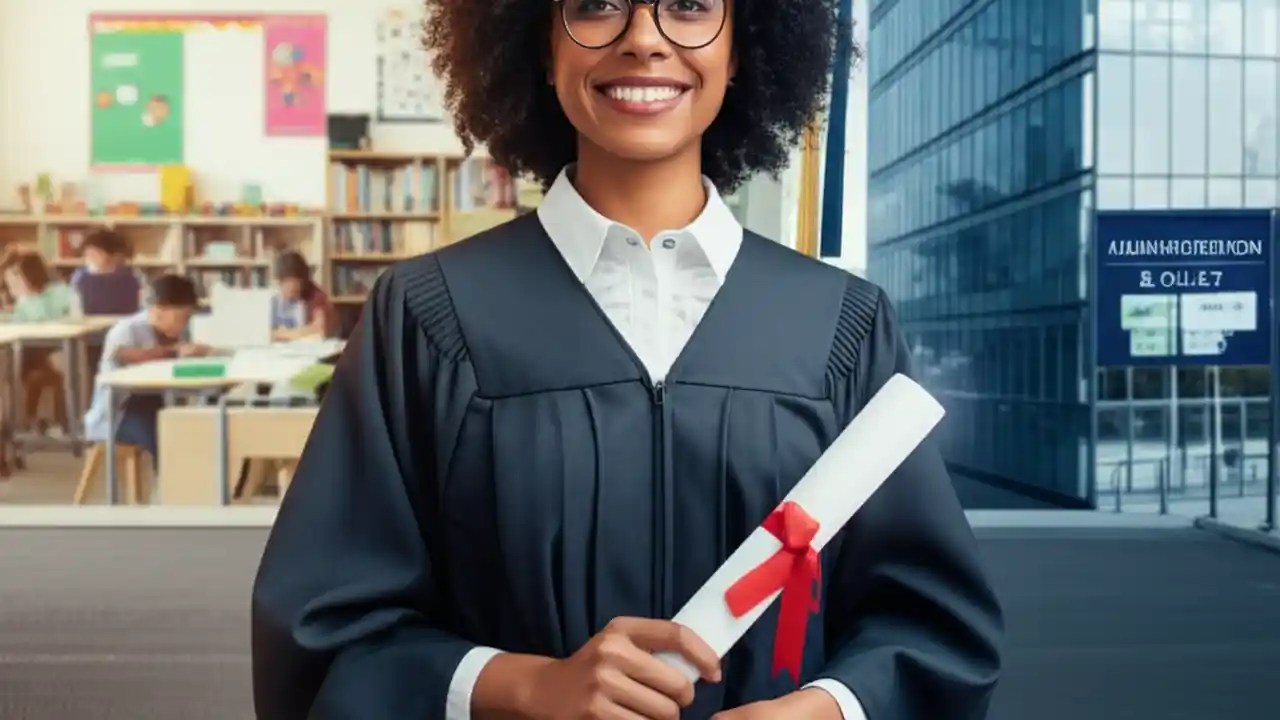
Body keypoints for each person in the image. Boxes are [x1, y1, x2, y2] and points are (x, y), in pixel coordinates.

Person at [252, 2, 1004, 719]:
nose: (644, 38)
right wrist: (525, 686)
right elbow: (325, 635)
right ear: (542, 46)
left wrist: (830, 709)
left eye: (687, 4)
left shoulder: (841, 325)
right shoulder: (430, 317)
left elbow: (931, 625)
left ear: (741, 47)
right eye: (597, 3)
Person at [82, 274, 210, 463]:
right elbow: (130, 357)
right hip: (120, 414)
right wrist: (175, 354)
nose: (184, 323)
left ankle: (192, 480)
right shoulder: (127, 329)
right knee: (167, 434)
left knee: (192, 424)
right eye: (182, 317)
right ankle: (172, 485)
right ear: (159, 310)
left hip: (157, 404)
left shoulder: (173, 334)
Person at [1, 247, 75, 433]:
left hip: (57, 349)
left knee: (53, 365)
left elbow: (65, 318)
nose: (10, 284)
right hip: (29, 354)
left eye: (14, 278)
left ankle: (59, 422)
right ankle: (22, 423)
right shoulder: (23, 301)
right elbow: (16, 322)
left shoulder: (59, 293)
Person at [69, 229, 148, 315]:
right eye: (87, 254)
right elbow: (76, 310)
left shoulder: (134, 275)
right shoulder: (80, 277)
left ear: (115, 256)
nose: (90, 258)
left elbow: (145, 306)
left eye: (96, 254)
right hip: (91, 325)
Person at [269, 251, 336, 341]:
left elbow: (319, 329)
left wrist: (281, 335)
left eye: (294, 287)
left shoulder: (316, 297)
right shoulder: (275, 297)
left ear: (303, 282)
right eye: (285, 285)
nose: (289, 292)